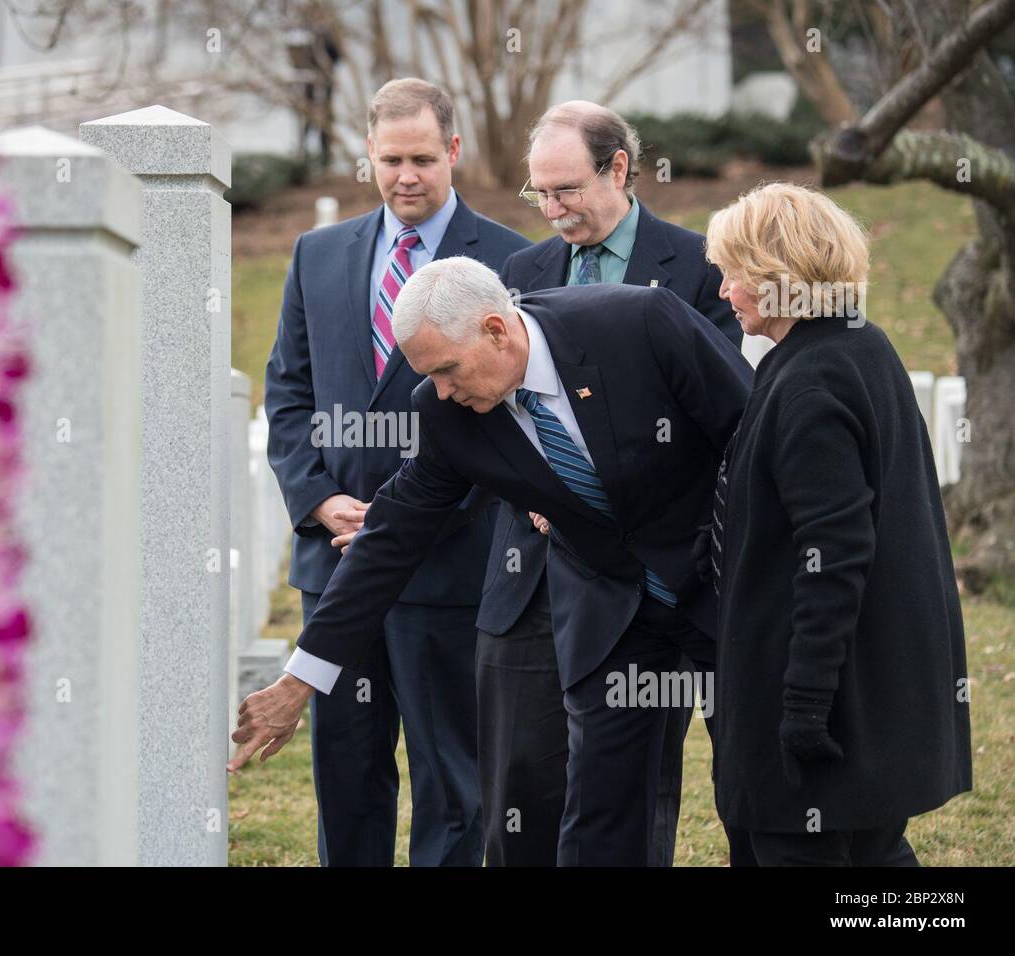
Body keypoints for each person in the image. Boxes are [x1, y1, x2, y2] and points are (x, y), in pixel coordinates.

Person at [237, 255, 753, 867]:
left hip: (725, 587)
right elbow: (388, 543)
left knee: (755, 792)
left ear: (495, 328)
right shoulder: (445, 411)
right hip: (615, 611)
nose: (444, 390)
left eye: (449, 370)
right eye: (430, 377)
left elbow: (751, 437)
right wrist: (301, 680)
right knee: (599, 817)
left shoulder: (637, 321)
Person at [263, 78, 530, 866]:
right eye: (390, 159)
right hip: (333, 565)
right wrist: (319, 501)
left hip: (451, 566)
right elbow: (288, 391)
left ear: (453, 152)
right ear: (367, 158)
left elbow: (514, 416)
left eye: (421, 157)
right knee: (346, 773)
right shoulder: (318, 254)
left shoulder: (512, 260)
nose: (405, 175)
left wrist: (410, 519)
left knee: (454, 782)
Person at [478, 100, 743, 867]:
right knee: (526, 777)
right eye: (540, 194)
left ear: (619, 169)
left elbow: (719, 413)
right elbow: (493, 405)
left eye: (567, 190)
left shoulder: (697, 266)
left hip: (665, 572)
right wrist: (534, 486)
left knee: (638, 775)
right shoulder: (520, 274)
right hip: (538, 572)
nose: (554, 210)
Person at [703, 182, 972, 865]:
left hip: (826, 715)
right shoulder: (856, 346)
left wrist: (801, 708)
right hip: (872, 702)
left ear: (775, 276)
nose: (725, 289)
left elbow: (835, 554)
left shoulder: (811, 382)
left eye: (735, 272)